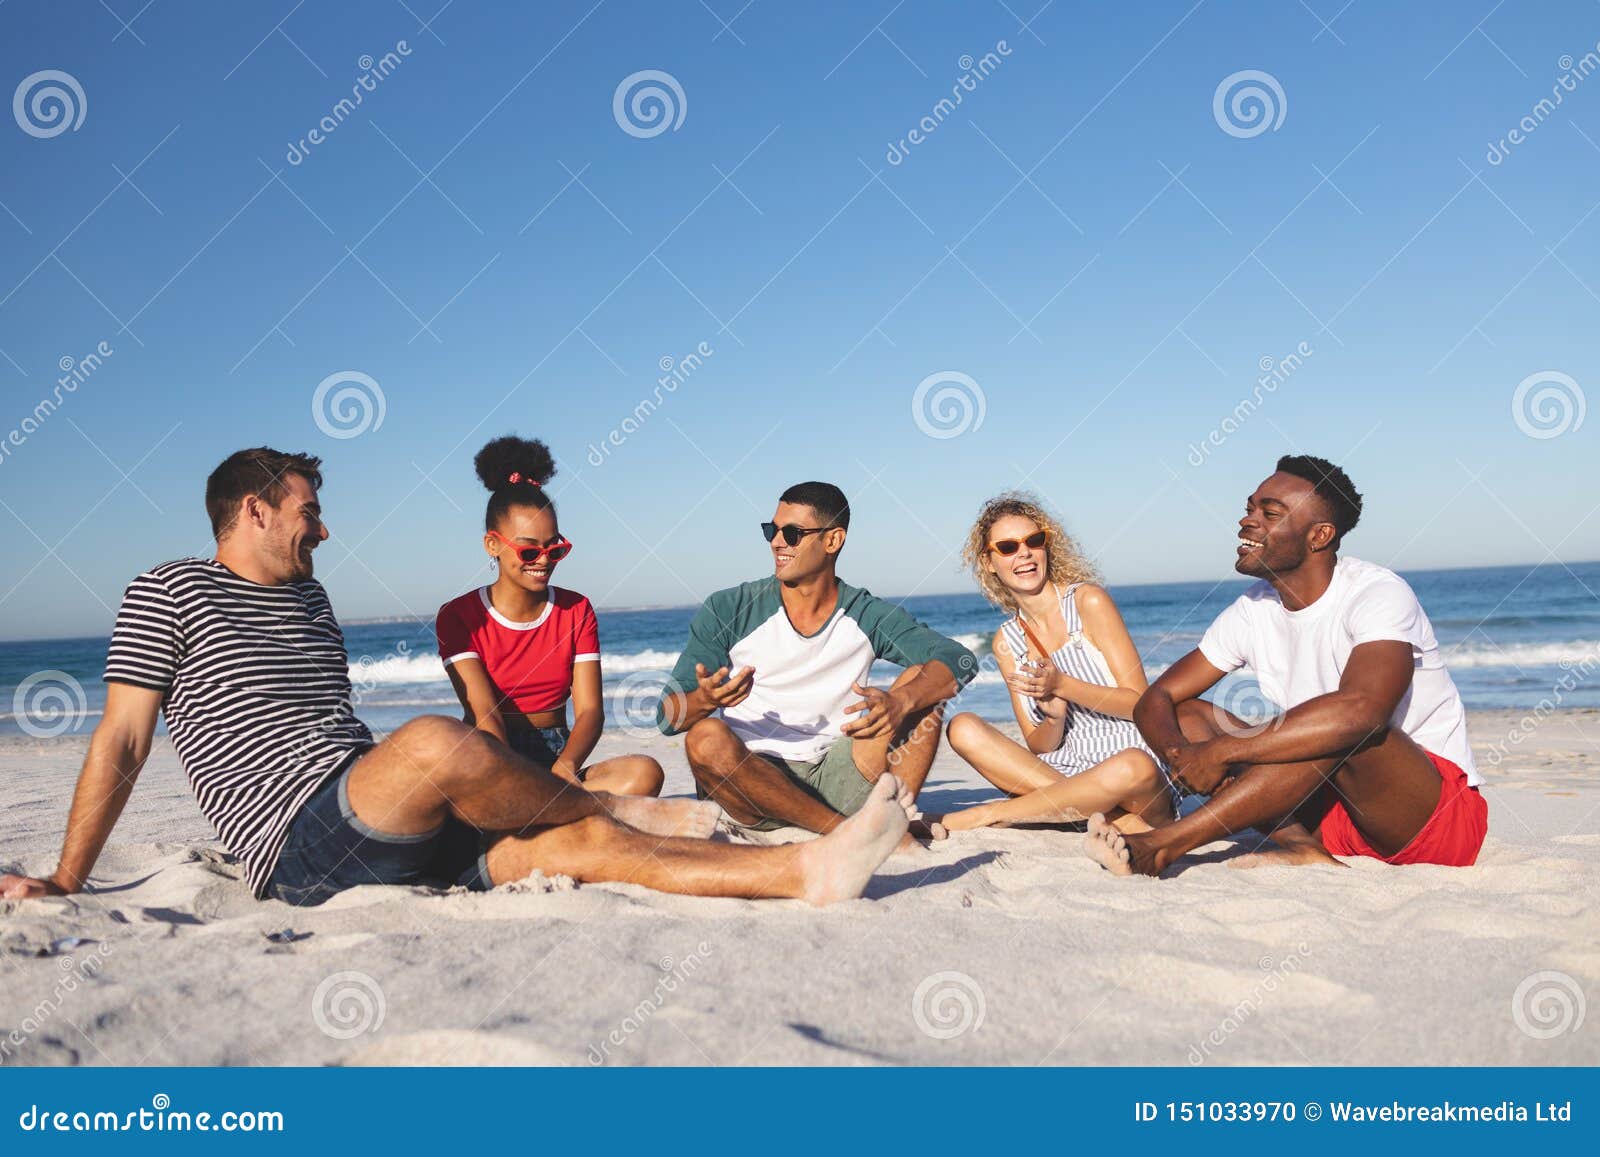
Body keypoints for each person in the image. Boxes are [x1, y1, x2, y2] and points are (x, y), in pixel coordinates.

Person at [0, 449, 917, 908]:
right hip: (297, 844)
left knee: (572, 852)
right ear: (254, 510)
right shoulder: (169, 589)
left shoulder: (313, 605)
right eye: (309, 514)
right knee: (443, 740)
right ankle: (622, 807)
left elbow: (333, 728)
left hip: (387, 820)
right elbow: (123, 736)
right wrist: (68, 878)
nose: (323, 531)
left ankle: (800, 870)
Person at [1085, 453, 1488, 877]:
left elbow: (1363, 713)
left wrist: (1223, 752)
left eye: (1270, 513)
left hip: (1431, 820)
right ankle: (1302, 847)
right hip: (1333, 815)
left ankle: (1164, 847)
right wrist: (1181, 755)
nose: (1247, 521)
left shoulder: (1378, 593)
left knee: (1337, 726)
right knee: (1189, 716)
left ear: (1319, 536)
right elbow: (1158, 697)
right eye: (1249, 508)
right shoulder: (1252, 608)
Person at [658, 481, 976, 840]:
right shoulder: (728, 608)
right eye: (771, 530)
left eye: (792, 533)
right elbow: (667, 718)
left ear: (832, 541)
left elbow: (959, 659)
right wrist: (706, 700)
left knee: (925, 684)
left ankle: (888, 818)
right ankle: (847, 834)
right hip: (751, 788)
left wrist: (900, 702)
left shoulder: (865, 613)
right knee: (704, 737)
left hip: (839, 774)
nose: (777, 542)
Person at [933, 493, 1174, 833]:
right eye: (1007, 547)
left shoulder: (1087, 601)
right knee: (963, 728)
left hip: (1131, 765)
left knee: (1134, 767)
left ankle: (989, 814)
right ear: (988, 562)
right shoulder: (1007, 641)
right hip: (1066, 770)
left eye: (1034, 541)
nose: (1024, 554)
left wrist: (1064, 686)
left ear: (1047, 546)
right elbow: (1039, 745)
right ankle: (1111, 820)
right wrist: (1054, 716)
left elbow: (1140, 704)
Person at [437, 435, 662, 797]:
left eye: (554, 549)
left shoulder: (576, 609)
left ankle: (552, 825)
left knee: (643, 773)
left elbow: (590, 711)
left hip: (560, 755)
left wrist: (567, 765)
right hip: (492, 755)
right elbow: (484, 712)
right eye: (528, 552)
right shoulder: (459, 615)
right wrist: (514, 779)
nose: (543, 561)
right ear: (492, 545)